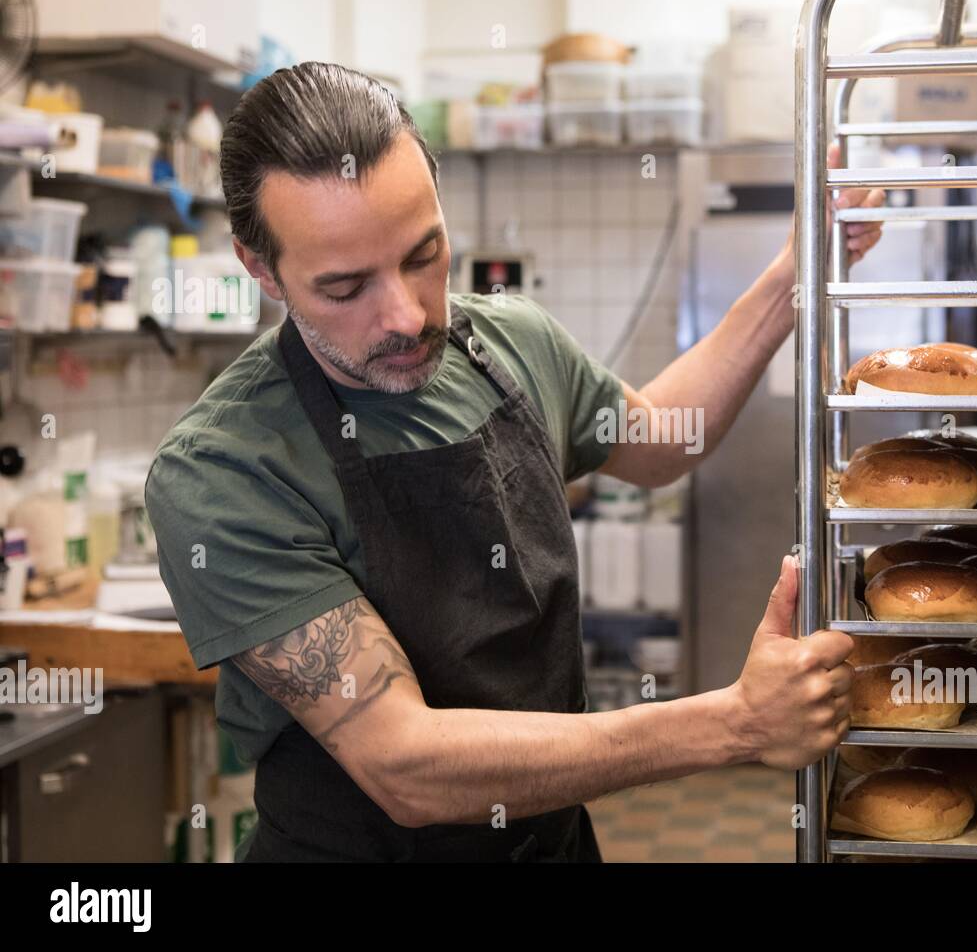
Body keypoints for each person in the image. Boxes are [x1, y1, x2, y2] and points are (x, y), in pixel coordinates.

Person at [146, 61, 885, 861]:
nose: (404, 314)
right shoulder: (225, 470)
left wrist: (790, 278)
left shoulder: (509, 345)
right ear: (261, 269)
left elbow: (664, 441)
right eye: (345, 286)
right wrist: (735, 723)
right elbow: (409, 768)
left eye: (423, 254)